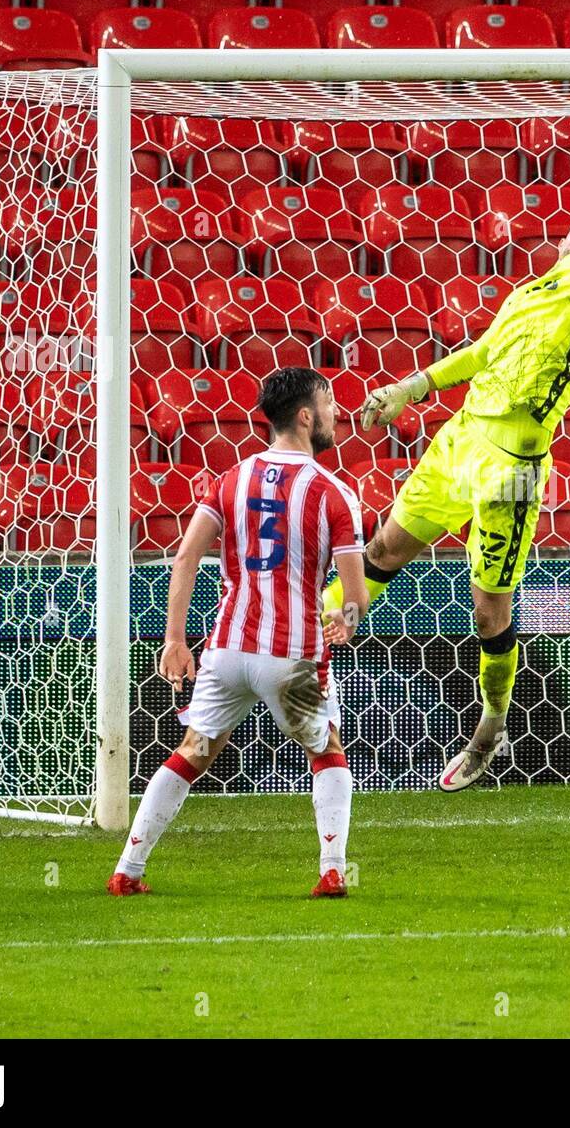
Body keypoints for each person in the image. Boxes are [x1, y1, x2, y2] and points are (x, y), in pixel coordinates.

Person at [321, 101, 570, 792]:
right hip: (459, 439)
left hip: (510, 467)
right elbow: (479, 353)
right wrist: (409, 388)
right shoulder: (524, 293)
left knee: (489, 611)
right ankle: (310, 651)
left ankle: (492, 719)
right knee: (384, 551)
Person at [106, 368, 368, 899]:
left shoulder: (229, 479)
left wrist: (174, 639)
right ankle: (333, 868)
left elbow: (184, 557)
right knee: (326, 752)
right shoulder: (335, 493)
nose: (336, 412)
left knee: (193, 750)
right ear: (304, 416)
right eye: (329, 403)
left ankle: (127, 870)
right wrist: (347, 620)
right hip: (291, 655)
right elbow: (356, 596)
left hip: (226, 650)